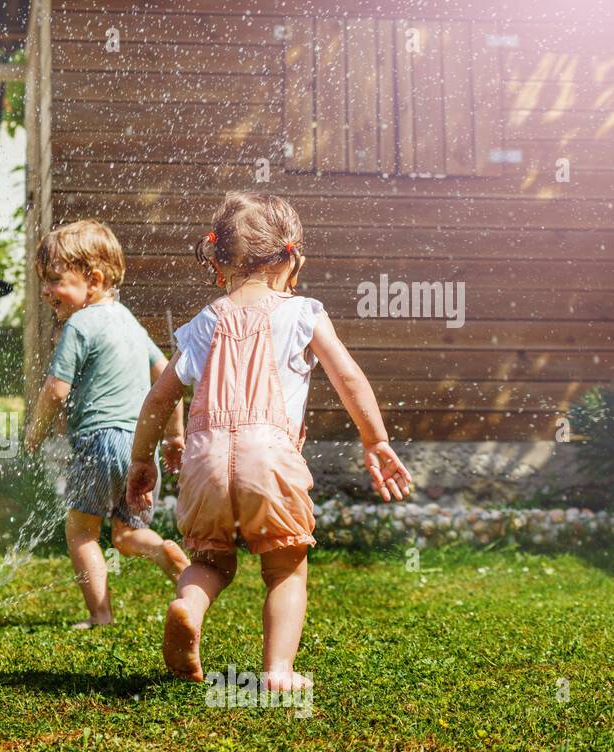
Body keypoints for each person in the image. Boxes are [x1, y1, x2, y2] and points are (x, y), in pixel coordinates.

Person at [127, 191, 414, 689]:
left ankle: (188, 605)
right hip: (271, 459)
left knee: (209, 560)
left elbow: (158, 399)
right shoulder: (303, 312)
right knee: (285, 568)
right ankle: (278, 672)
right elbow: (347, 377)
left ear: (219, 264)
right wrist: (376, 439)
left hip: (205, 462)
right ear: (292, 256)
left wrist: (143, 459)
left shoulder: (203, 323)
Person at [25, 220, 189, 629]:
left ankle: (100, 615)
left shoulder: (79, 325)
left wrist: (34, 433)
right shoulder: (130, 323)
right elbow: (169, 376)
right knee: (126, 535)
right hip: (138, 450)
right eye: (44, 282)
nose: (47, 292)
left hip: (98, 443)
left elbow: (56, 390)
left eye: (55, 281)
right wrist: (174, 437)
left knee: (81, 530)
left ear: (94, 280)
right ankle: (160, 551)